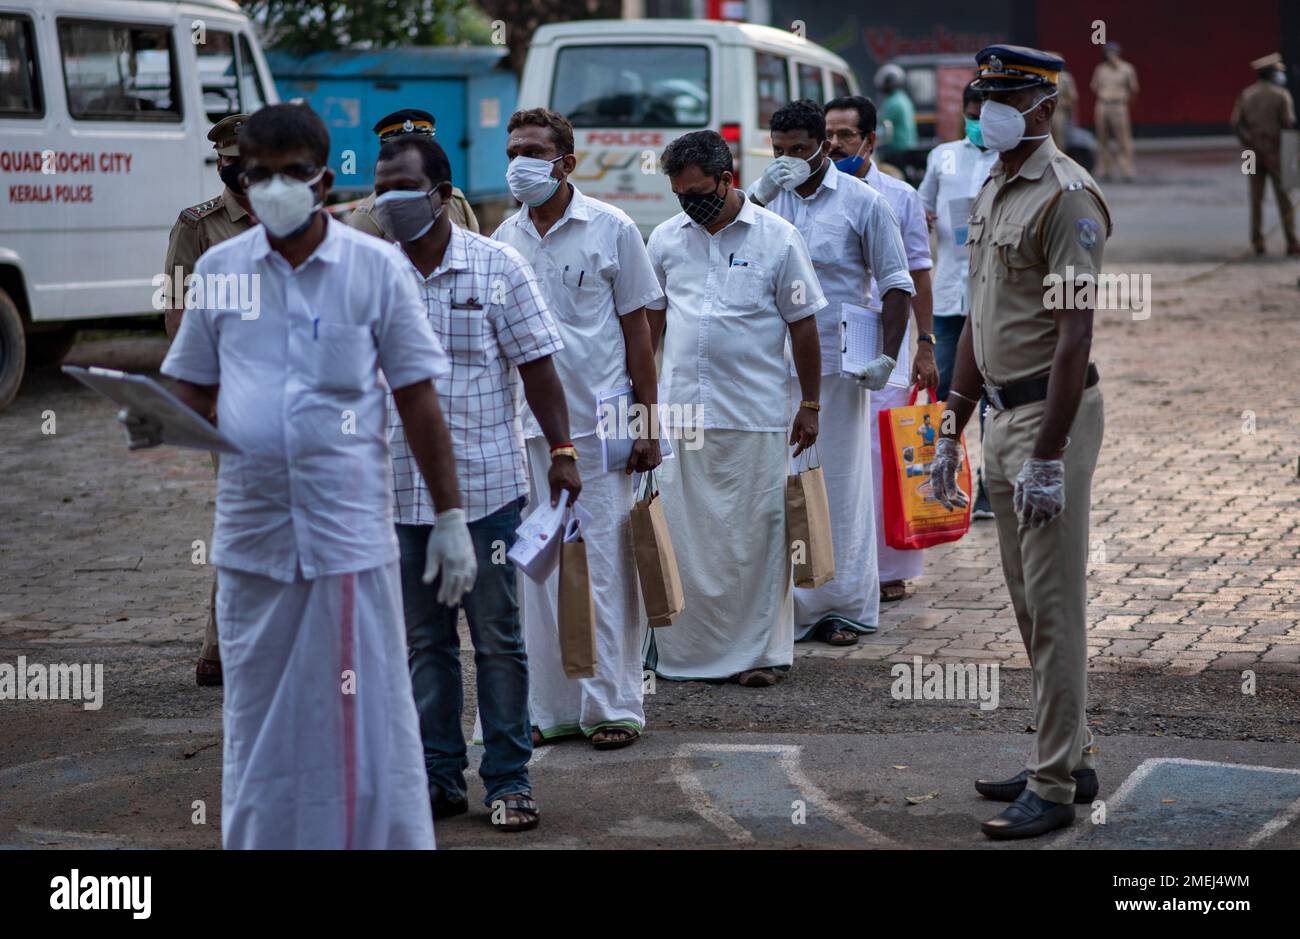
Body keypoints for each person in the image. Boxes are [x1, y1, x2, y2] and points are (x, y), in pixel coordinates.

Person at [129, 103, 475, 849]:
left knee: (361, 713)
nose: (276, 186)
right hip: (252, 541)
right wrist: (149, 413)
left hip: (347, 535)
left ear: (324, 177)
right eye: (261, 174)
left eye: (293, 172)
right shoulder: (219, 268)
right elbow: (190, 388)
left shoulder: (373, 268)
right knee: (258, 718)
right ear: (242, 181)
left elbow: (419, 400)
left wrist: (450, 517)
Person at [375, 133, 578, 831]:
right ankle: (436, 777)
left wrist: (562, 447)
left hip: (490, 490)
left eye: (400, 187)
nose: (386, 202)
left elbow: (539, 367)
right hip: (399, 493)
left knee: (496, 637)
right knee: (424, 642)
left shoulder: (498, 267)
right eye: (378, 189)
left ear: (438, 193)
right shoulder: (374, 273)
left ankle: (509, 777)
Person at [930, 46, 1109, 840]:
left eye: (1001, 96)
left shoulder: (1068, 198)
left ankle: (1053, 782)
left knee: (1056, 605)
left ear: (1042, 105)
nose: (984, 108)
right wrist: (952, 420)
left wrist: (1048, 455)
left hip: (1050, 417)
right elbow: (977, 315)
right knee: (1029, 602)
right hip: (1002, 413)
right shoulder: (995, 183)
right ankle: (1066, 751)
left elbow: (1075, 337)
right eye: (981, 95)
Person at [492, 108, 664, 748]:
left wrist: (648, 422)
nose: (520, 162)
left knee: (604, 568)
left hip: (603, 424)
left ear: (567, 162)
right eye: (513, 150)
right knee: (534, 571)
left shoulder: (612, 228)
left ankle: (613, 708)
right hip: (528, 428)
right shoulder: (504, 237)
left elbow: (639, 335)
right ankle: (548, 709)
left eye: (534, 150)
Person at [643, 130, 826, 687]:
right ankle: (680, 652)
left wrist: (811, 402)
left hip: (755, 413)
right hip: (682, 417)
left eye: (697, 192)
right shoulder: (666, 239)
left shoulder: (778, 238)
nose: (689, 203)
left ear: (727, 179)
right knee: (685, 534)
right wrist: (642, 405)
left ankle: (761, 656)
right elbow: (648, 328)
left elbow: (804, 326)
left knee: (759, 536)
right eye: (679, 194)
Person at [750, 99, 914, 645]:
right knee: (779, 480)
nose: (788, 159)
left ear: (825, 144)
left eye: (798, 149)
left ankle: (841, 606)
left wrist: (887, 356)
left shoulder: (863, 203)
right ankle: (787, 606)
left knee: (838, 482)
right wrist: (757, 196)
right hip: (771, 360)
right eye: (778, 150)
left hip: (839, 362)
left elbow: (895, 282)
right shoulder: (764, 203)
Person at [825, 94, 941, 600]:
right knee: (830, 451)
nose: (834, 145)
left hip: (882, 340)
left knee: (878, 453)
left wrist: (926, 344)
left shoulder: (898, 196)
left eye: (845, 136)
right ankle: (829, 567)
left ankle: (885, 569)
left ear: (870, 139)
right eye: (827, 135)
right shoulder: (809, 193)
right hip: (824, 341)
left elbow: (917, 273)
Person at [161, 112, 255, 688]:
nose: (239, 172)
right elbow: (176, 311)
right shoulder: (197, 226)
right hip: (229, 396)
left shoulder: (286, 220)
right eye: (230, 162)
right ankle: (219, 645)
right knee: (241, 512)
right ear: (221, 164)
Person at [917, 82, 999, 518]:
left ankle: (988, 483)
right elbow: (919, 207)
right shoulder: (941, 157)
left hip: (993, 299)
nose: (978, 120)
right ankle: (945, 476)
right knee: (947, 393)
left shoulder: (1012, 159)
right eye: (972, 111)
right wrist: (925, 216)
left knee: (993, 396)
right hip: (949, 296)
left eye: (987, 112)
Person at [348, 109, 480, 236]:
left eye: (422, 148)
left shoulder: (454, 201)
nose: (412, 158)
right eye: (400, 151)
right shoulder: (368, 218)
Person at [1231, 53, 1298, 256]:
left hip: (1250, 153)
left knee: (1255, 198)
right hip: (1277, 151)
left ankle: (1257, 242)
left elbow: (1235, 123)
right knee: (1285, 198)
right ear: (1272, 74)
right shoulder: (1281, 95)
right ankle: (1292, 242)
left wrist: (1248, 143)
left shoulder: (1246, 94)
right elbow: (1288, 124)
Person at [1090, 42, 1138, 182]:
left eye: (1113, 52)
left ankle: (1127, 170)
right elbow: (1094, 86)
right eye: (1107, 52)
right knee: (1102, 139)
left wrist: (1124, 102)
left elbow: (1133, 89)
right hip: (1103, 105)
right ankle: (1105, 170)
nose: (1110, 55)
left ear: (1118, 53)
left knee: (1123, 139)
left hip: (1119, 105)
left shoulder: (1126, 69)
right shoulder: (1101, 69)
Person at [874, 63, 917, 168]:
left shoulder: (893, 102)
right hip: (907, 146)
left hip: (897, 149)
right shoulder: (902, 98)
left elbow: (881, 126)